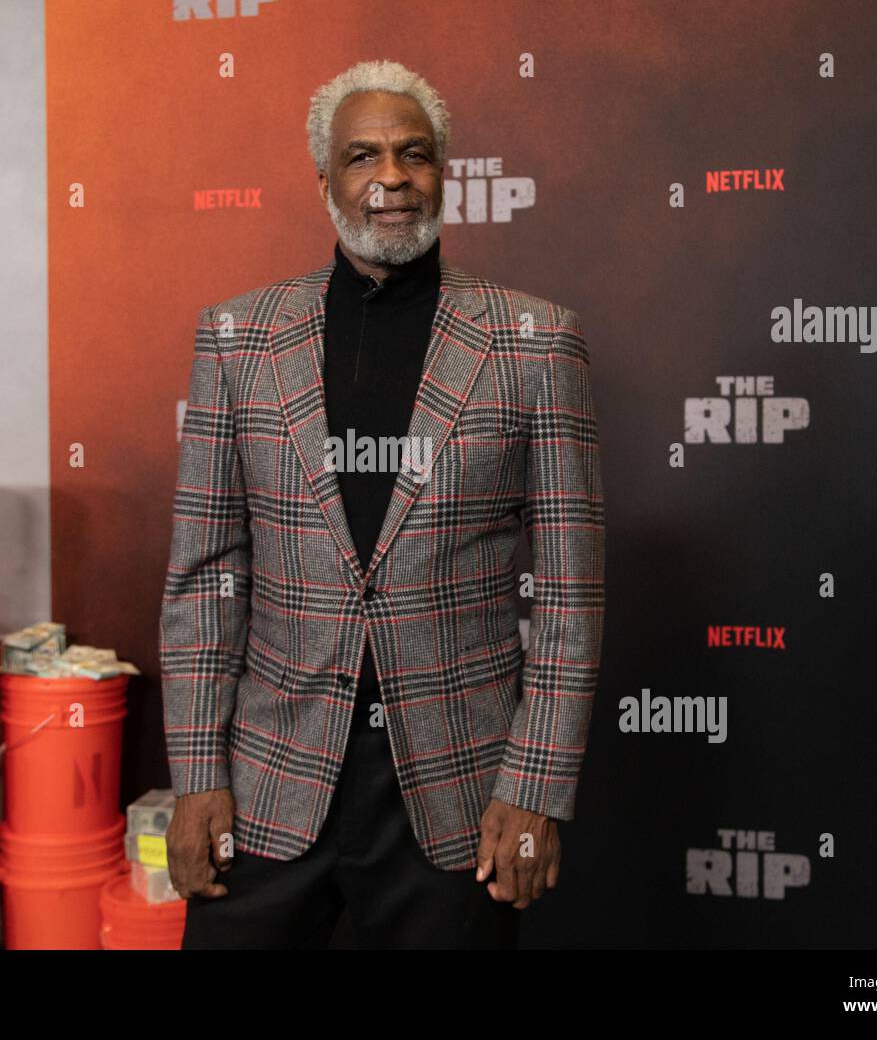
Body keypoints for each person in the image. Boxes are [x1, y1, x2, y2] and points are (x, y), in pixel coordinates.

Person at [160, 58, 604, 949]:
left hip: (457, 797)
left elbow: (569, 595)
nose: (391, 178)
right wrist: (196, 772)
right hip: (269, 783)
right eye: (362, 156)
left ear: (445, 171)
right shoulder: (239, 340)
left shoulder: (534, 343)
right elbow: (205, 580)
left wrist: (534, 788)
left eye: (414, 153)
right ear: (325, 178)